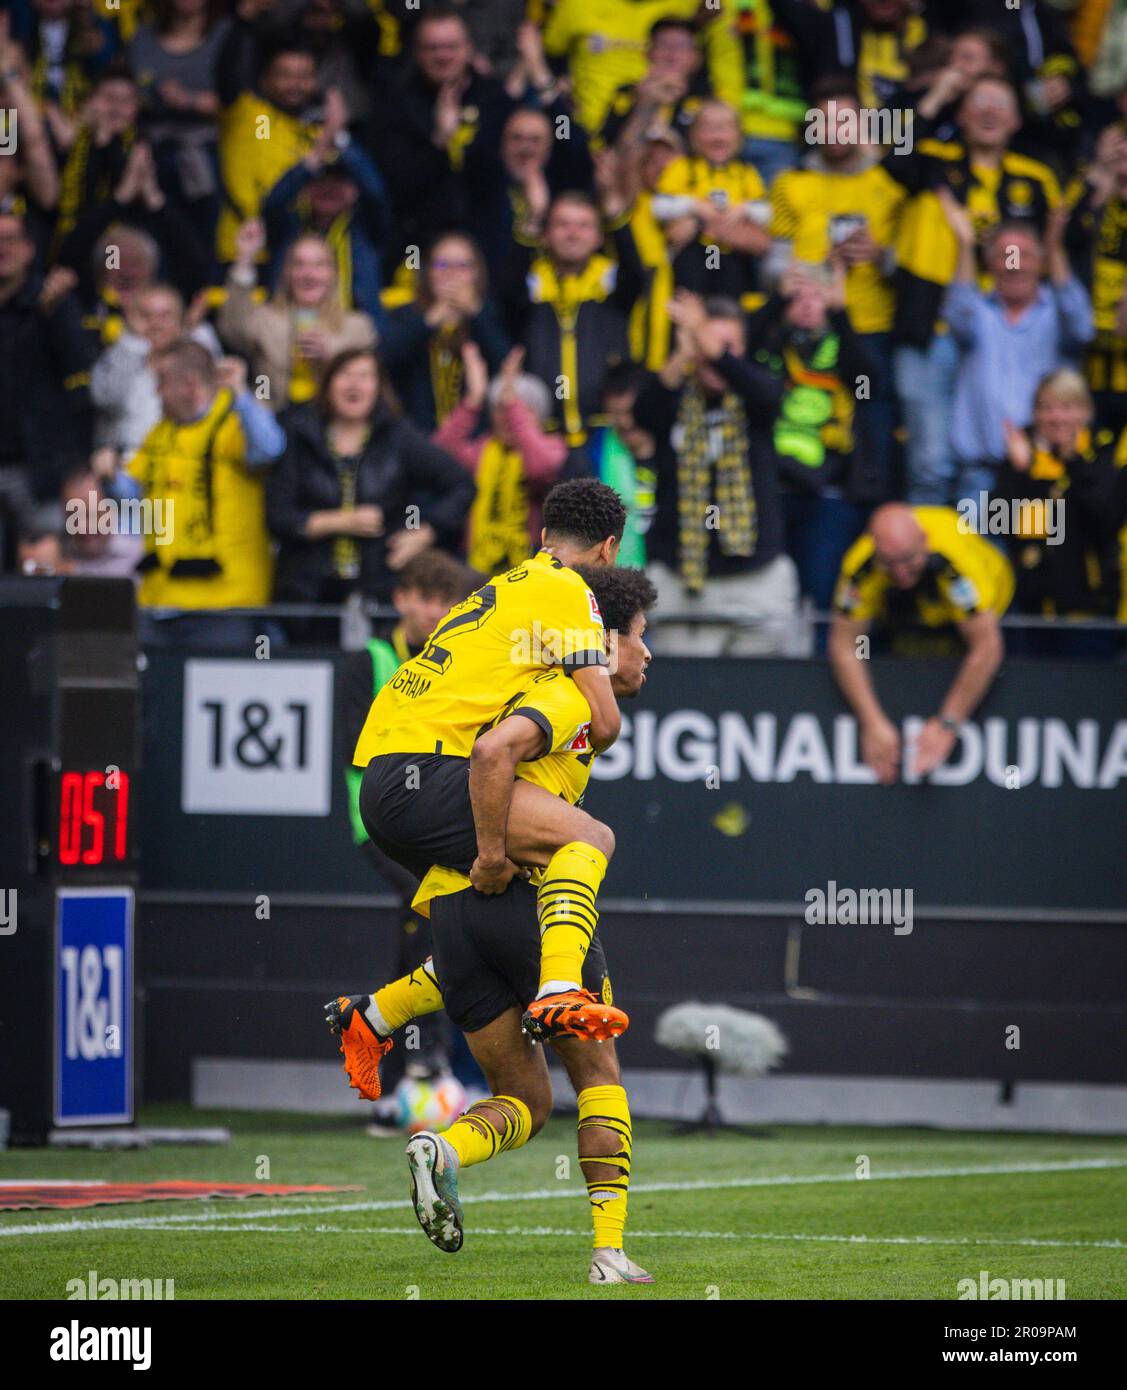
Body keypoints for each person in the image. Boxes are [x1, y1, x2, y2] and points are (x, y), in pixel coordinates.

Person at [327, 564, 657, 1284]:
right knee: (597, 1074)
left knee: (525, 1102)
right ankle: (608, 1250)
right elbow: (494, 753)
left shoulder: (520, 674)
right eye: (639, 639)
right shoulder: (563, 691)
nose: (646, 654)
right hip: (521, 892)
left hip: (455, 912)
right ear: (604, 641)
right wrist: (493, 853)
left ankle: (439, 1148)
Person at [350, 478, 629, 1041]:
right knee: (589, 841)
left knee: (505, 910)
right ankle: (557, 991)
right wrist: (493, 851)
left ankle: (376, 1016)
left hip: (387, 776)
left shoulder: (500, 586)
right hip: (432, 772)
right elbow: (605, 724)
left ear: (544, 534)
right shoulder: (571, 592)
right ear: (609, 549)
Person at [338, 550, 480, 1106]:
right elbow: (358, 751)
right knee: (431, 912)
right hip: (377, 821)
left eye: (443, 601)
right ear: (400, 599)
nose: (432, 611)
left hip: (434, 822)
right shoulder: (370, 660)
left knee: (430, 923)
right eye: (422, 597)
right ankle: (424, 1060)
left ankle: (400, 1064)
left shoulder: (459, 661)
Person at [634, 291, 796, 655]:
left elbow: (767, 395)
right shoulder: (674, 396)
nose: (713, 357)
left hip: (755, 578)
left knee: (761, 693)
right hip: (683, 582)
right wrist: (682, 354)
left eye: (726, 346)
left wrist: (713, 347)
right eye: (705, 345)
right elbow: (643, 413)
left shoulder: (758, 393)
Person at [266, 347, 474, 607]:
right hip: (305, 594)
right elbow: (278, 516)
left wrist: (424, 534)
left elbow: (462, 485)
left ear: (378, 387)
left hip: (379, 592)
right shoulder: (298, 434)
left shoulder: (399, 437)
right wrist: (341, 521)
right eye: (345, 375)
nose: (354, 384)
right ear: (328, 384)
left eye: (364, 376)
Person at [829, 502, 1014, 784]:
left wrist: (947, 723)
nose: (901, 573)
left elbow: (987, 648)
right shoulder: (862, 564)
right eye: (890, 562)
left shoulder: (954, 563)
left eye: (908, 560)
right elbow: (845, 646)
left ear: (924, 542)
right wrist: (872, 722)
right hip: (911, 616)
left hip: (986, 612)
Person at [128, 340, 285, 646]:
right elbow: (128, 493)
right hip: (159, 602)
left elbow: (270, 448)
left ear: (189, 386)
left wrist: (240, 392)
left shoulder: (233, 423)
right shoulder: (161, 433)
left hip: (224, 604)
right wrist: (107, 473)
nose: (156, 392)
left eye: (161, 382)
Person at [941, 193, 1093, 504]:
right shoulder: (978, 311)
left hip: (1047, 469)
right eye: (1005, 256)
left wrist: (1054, 249)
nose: (1014, 265)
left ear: (1040, 261)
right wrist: (966, 244)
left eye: (1024, 255)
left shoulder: (1058, 310)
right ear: (990, 263)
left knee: (1039, 551)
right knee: (978, 552)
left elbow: (1082, 326)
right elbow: (958, 314)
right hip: (981, 473)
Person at [747, 262, 881, 611]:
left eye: (817, 297)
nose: (806, 304)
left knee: (822, 591)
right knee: (770, 591)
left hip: (828, 491)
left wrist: (841, 316)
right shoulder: (772, 343)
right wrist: (775, 303)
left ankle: (819, 659)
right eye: (797, 297)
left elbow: (869, 382)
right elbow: (736, 358)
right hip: (773, 488)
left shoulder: (846, 347)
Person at [501, 190, 644, 451]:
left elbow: (637, 275)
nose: (573, 233)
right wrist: (532, 222)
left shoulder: (610, 285)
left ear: (599, 236)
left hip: (606, 434)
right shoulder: (533, 284)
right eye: (562, 224)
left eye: (584, 225)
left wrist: (616, 216)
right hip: (543, 435)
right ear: (546, 234)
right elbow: (507, 291)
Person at [991, 369, 1121, 652]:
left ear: (1086, 411)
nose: (1055, 418)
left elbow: (1104, 519)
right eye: (1045, 408)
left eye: (1066, 407)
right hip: (1030, 609)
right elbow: (998, 522)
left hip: (1088, 610)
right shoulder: (1022, 452)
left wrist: (1073, 463)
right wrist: (1022, 473)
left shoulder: (1103, 450)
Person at [433, 342, 569, 575]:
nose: (507, 417)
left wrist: (512, 405)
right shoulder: (482, 449)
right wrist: (474, 400)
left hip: (530, 565)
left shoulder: (552, 446)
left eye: (518, 408)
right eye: (500, 409)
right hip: (475, 565)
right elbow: (437, 455)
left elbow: (541, 468)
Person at [219, 218, 376, 412]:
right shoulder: (265, 319)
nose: (308, 274)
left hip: (333, 423)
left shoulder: (357, 326)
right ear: (286, 273)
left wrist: (332, 357)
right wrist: (245, 258)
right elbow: (232, 328)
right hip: (276, 422)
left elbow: (367, 385)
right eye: (299, 265)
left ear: (333, 274)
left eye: (319, 265)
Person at [0, 212, 93, 512]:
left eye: (10, 240)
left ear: (29, 249)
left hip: (39, 468)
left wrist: (52, 314)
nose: (3, 248)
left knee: (47, 558)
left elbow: (81, 365)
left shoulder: (56, 301)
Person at [379, 231, 510, 432]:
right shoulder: (407, 315)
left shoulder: (489, 314)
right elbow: (385, 358)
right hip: (418, 440)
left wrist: (475, 313)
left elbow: (507, 366)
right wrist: (429, 320)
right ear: (428, 272)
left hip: (476, 444)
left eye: (462, 266)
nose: (451, 273)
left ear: (476, 273)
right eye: (441, 265)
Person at [651, 98, 770, 300]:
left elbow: (766, 212)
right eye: (708, 129)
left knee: (729, 301)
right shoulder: (682, 168)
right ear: (693, 136)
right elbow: (659, 206)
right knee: (690, 296)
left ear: (739, 136)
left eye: (725, 128)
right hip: (694, 252)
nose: (717, 136)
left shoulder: (745, 174)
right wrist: (695, 206)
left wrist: (743, 210)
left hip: (731, 254)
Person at [215, 40, 321, 264]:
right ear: (265, 79)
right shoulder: (247, 113)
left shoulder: (317, 132)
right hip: (243, 250)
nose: (296, 84)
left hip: (294, 255)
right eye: (285, 75)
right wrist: (243, 20)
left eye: (304, 76)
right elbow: (226, 74)